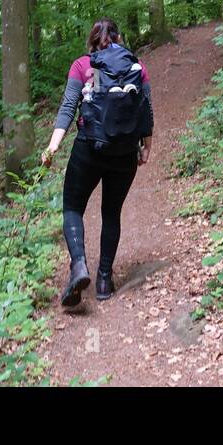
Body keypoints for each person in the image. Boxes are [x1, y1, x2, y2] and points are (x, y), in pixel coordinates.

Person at [41, 18, 153, 307]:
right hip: (125, 150)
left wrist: (53, 146)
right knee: (111, 212)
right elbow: (146, 110)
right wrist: (146, 148)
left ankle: (79, 265)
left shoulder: (82, 65)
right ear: (119, 38)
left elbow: (68, 107)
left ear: (92, 41)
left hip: (89, 149)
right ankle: (104, 279)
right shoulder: (137, 67)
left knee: (72, 207)